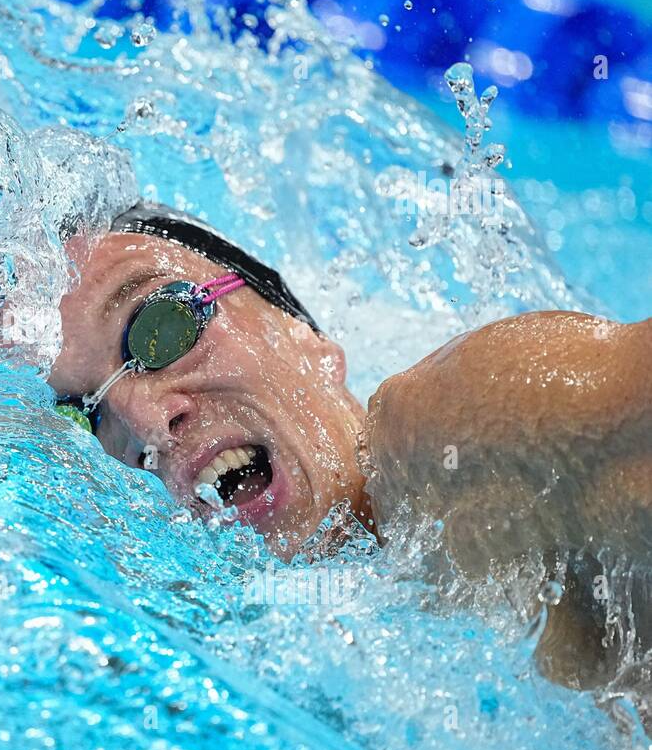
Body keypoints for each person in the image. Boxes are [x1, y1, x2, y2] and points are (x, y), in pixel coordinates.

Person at [47, 200, 652, 696]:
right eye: (90, 417)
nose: (147, 423)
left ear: (306, 336)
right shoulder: (189, 638)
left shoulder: (452, 432)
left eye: (161, 327)